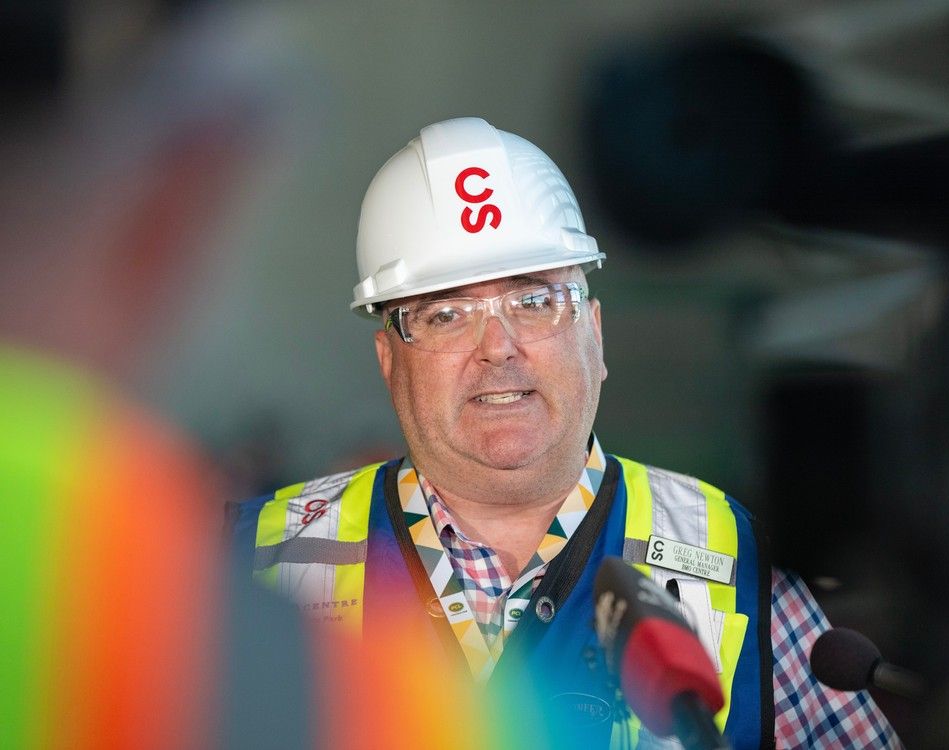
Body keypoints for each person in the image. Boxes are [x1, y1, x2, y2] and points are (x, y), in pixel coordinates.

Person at [229, 117, 902, 749]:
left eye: (534, 300)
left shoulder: (740, 561)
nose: (499, 346)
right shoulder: (243, 570)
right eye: (446, 315)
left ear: (596, 334)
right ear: (388, 361)